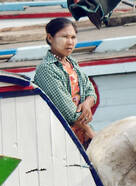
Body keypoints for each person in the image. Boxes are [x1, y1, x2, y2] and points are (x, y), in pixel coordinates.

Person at [32, 17, 97, 145]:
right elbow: (69, 114)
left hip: (82, 133)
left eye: (73, 37)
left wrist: (87, 103)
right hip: (62, 140)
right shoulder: (47, 69)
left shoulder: (71, 63)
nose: (70, 42)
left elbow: (91, 91)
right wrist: (92, 134)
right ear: (50, 38)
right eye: (64, 37)